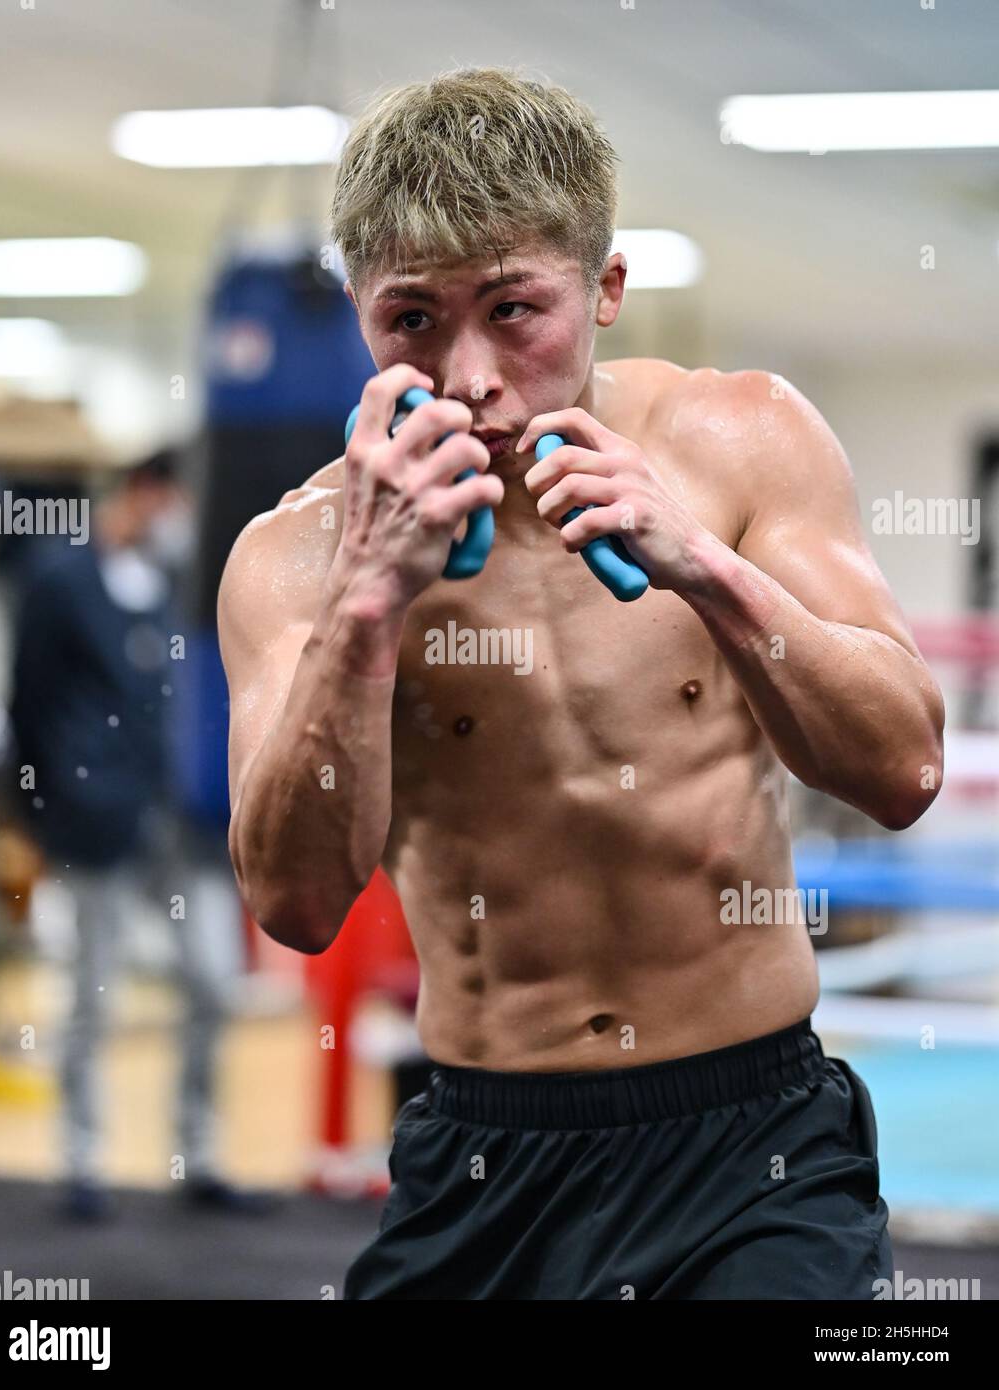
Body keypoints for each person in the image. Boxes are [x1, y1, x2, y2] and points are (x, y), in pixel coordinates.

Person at [217, 67, 945, 1299]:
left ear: (604, 289)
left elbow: (903, 771)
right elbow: (292, 902)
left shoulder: (742, 439)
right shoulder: (292, 558)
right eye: (411, 321)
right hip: (483, 1159)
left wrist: (706, 569)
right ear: (355, 313)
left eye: (513, 310)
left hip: (751, 1151)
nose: (468, 377)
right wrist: (365, 610)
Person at [11, 452, 275, 1221]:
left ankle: (200, 1153)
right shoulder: (60, 582)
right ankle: (82, 1160)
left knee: (213, 979)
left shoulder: (172, 591)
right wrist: (45, 807)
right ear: (145, 494)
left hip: (180, 820)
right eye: (175, 503)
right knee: (93, 990)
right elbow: (29, 701)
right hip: (96, 819)